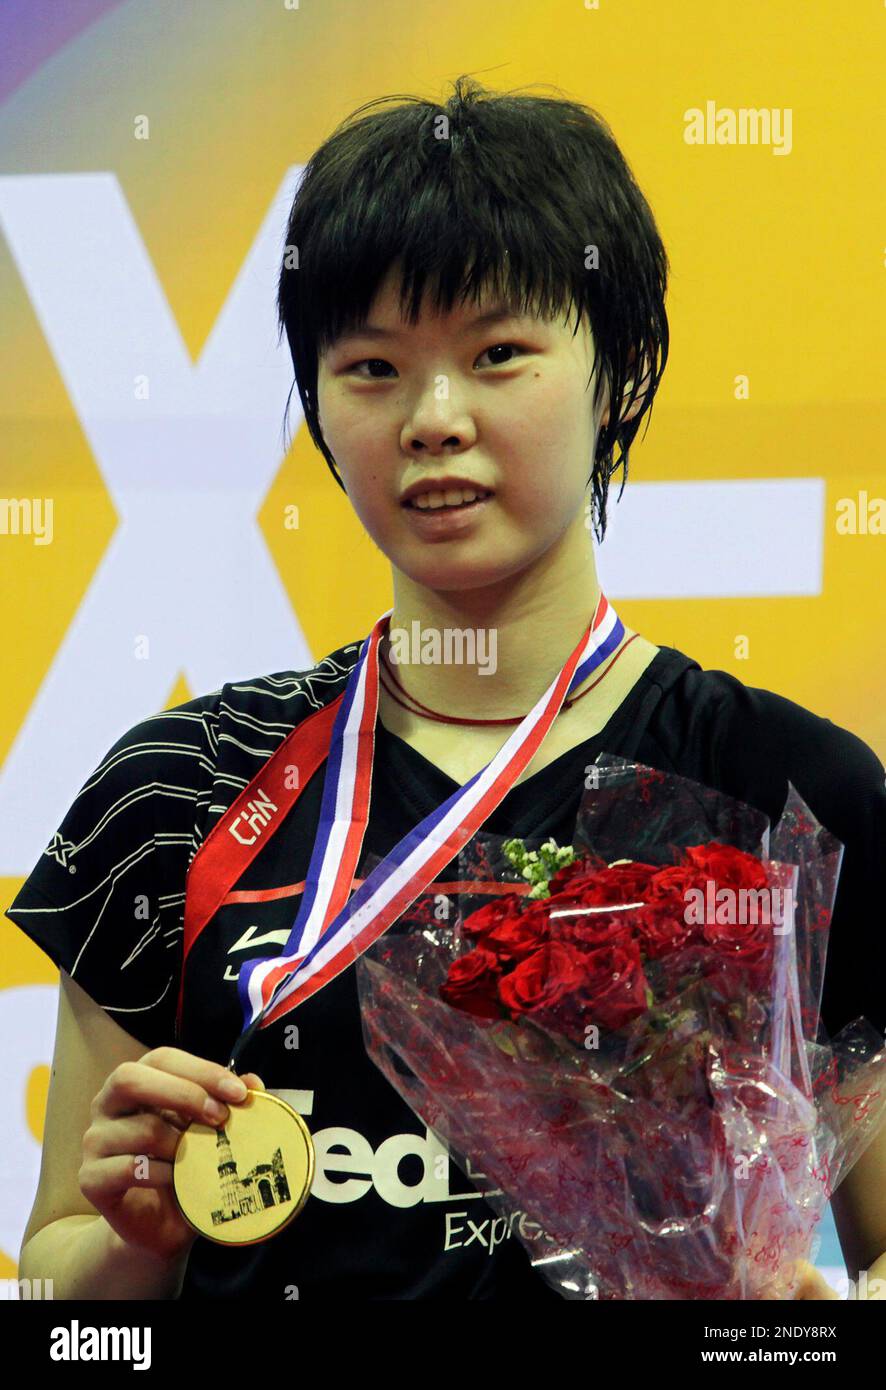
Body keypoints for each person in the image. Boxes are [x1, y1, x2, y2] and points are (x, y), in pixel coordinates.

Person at [5, 75, 884, 1302]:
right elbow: (56, 1293)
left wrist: (813, 1325)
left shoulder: (790, 795)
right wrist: (131, 1237)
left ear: (618, 372)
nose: (432, 418)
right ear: (317, 402)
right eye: (371, 368)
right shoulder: (177, 792)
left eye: (498, 354)